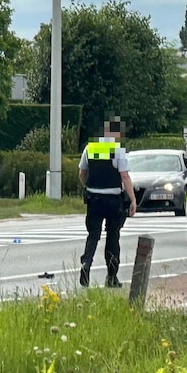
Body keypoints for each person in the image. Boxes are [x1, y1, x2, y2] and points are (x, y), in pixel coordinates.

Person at [77, 117, 136, 288]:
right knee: (112, 237)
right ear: (116, 134)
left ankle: (86, 263)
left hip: (93, 199)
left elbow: (82, 172)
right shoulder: (117, 151)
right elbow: (124, 176)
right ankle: (111, 276)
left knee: (93, 235)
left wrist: (88, 185)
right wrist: (132, 199)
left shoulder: (91, 148)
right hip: (113, 200)